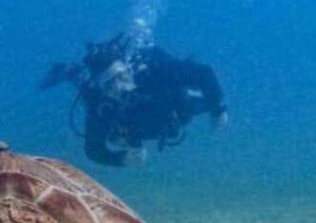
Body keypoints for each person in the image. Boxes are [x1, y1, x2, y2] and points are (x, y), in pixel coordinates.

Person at [40, 33, 227, 166]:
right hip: (135, 124)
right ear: (103, 89)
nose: (121, 87)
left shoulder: (157, 74)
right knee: (83, 83)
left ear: (130, 70)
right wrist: (120, 159)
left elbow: (204, 72)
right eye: (111, 84)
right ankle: (68, 71)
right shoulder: (102, 106)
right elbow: (93, 150)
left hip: (174, 107)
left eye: (123, 76)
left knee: (190, 104)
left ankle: (77, 71)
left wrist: (218, 108)